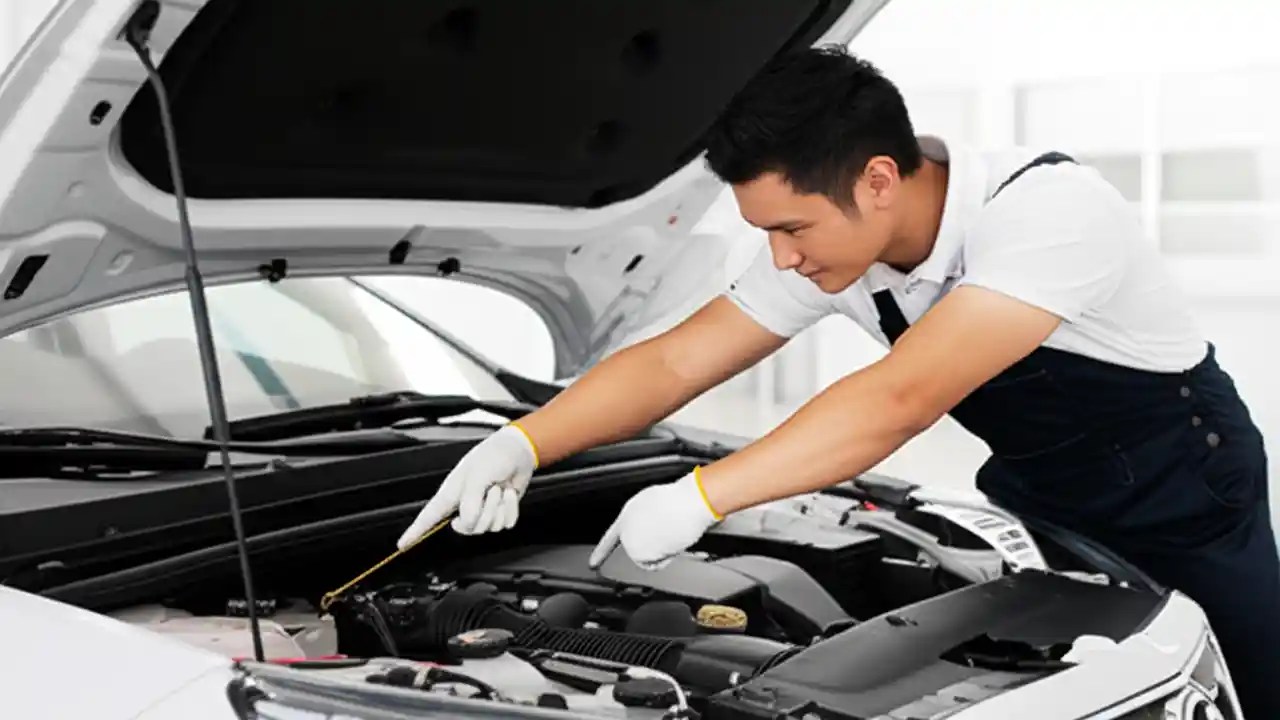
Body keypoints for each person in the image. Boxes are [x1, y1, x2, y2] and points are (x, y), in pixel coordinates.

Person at [397, 46, 1278, 716]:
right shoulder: (832, 241)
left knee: (1241, 687)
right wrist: (523, 442)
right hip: (1044, 491)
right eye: (766, 233)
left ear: (878, 180)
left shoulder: (1048, 211)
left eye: (792, 229)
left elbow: (900, 399)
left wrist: (701, 496)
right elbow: (676, 359)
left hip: (1186, 491)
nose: (781, 258)